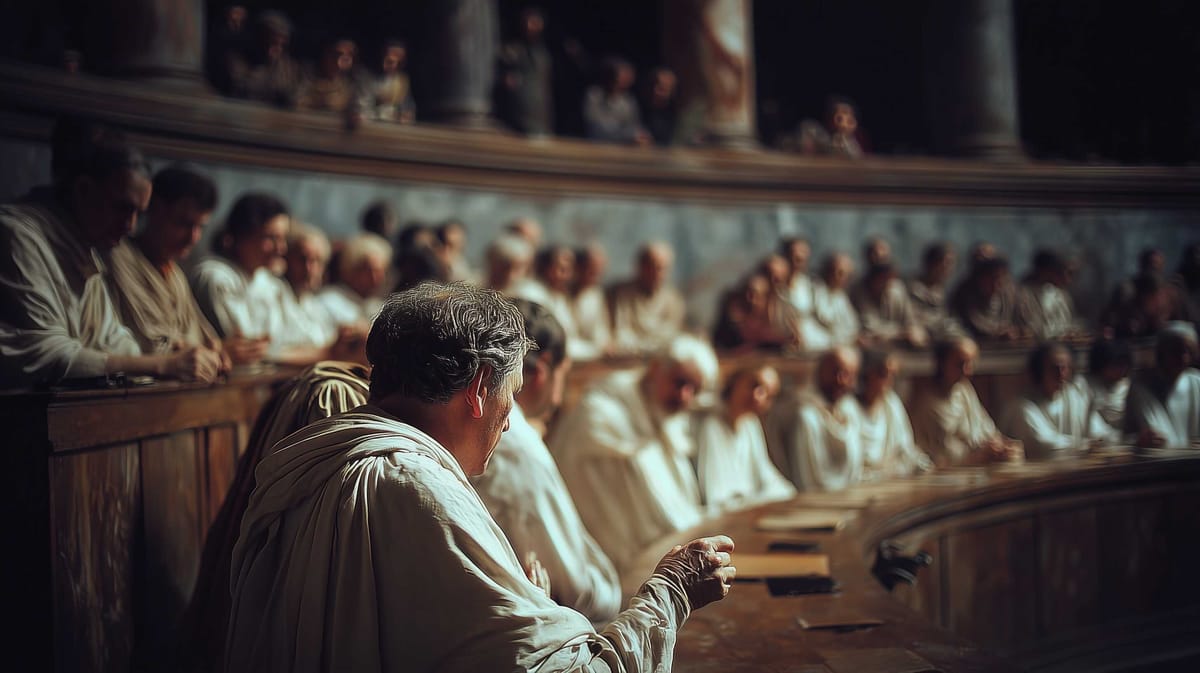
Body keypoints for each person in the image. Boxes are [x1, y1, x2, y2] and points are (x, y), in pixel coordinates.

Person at [226, 282, 736, 672]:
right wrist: (671, 592)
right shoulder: (419, 489)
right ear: (477, 391)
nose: (509, 418)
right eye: (508, 395)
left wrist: (521, 600)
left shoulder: (312, 452)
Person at [0, 135, 222, 386]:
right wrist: (164, 363)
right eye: (122, 208)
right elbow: (46, 356)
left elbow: (117, 341)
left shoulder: (90, 244)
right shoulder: (17, 235)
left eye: (138, 212)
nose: (130, 226)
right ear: (84, 190)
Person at [470, 300, 621, 624]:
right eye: (565, 373)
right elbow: (578, 593)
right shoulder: (516, 445)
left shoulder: (489, 430)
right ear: (541, 371)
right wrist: (610, 591)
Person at [548, 334, 717, 572]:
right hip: (609, 559)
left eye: (694, 390)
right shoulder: (601, 411)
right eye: (679, 383)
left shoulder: (659, 408)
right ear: (656, 369)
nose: (684, 397)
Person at [190, 193, 349, 364]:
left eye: (282, 239)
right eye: (270, 238)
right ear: (242, 235)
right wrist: (325, 353)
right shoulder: (216, 277)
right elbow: (249, 350)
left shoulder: (269, 283)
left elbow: (296, 339)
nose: (280, 248)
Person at [108, 165, 228, 366]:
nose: (193, 238)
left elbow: (205, 339)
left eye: (200, 227)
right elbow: (151, 344)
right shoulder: (120, 256)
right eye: (183, 223)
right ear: (155, 210)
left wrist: (219, 351)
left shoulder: (174, 273)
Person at [693, 364, 796, 512]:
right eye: (754, 385)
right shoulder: (710, 425)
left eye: (768, 394)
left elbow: (769, 478)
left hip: (748, 508)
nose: (758, 396)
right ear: (735, 382)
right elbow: (717, 497)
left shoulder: (750, 424)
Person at [908, 337, 1024, 466]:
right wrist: (979, 456)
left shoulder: (964, 390)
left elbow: (986, 430)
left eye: (970, 364)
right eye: (960, 364)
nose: (967, 371)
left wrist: (1003, 446)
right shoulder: (927, 403)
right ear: (942, 363)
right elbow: (937, 459)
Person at [764, 347, 865, 492]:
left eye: (848, 375)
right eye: (835, 372)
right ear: (821, 371)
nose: (841, 380)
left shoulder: (849, 409)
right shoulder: (800, 410)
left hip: (847, 491)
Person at [1000, 342, 1118, 460]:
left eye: (1065, 368)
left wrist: (1115, 440)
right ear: (1039, 371)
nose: (1061, 374)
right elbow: (1043, 445)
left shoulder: (1076, 397)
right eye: (1054, 369)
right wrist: (1085, 445)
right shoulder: (1021, 405)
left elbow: (1100, 431)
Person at [856, 350, 933, 480]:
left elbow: (906, 447)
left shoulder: (891, 402)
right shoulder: (849, 408)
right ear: (867, 374)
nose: (889, 381)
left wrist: (921, 463)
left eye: (893, 375)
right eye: (883, 374)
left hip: (891, 478)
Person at [1125, 322, 1200, 449]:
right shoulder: (1141, 386)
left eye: (1189, 351)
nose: (1184, 357)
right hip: (1158, 464)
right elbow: (1132, 435)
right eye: (1177, 351)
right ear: (1162, 352)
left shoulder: (1196, 381)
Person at [607, 241, 687, 355]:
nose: (658, 274)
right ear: (641, 267)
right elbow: (621, 331)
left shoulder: (673, 299)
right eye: (653, 267)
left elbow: (671, 333)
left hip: (660, 356)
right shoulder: (622, 294)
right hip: (629, 356)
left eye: (663, 268)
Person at [497, 7, 555, 137]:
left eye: (535, 23)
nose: (531, 27)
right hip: (517, 117)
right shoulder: (512, 50)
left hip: (539, 116)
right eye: (529, 23)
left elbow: (545, 85)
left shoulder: (542, 54)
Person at [228, 10, 302, 108]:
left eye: (281, 44)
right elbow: (243, 89)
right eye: (271, 42)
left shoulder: (290, 67)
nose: (277, 49)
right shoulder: (237, 61)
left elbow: (295, 94)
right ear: (259, 38)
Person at [317, 233, 392, 327]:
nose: (375, 278)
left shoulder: (380, 308)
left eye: (380, 271)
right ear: (350, 269)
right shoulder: (329, 301)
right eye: (368, 271)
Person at [950, 255, 1026, 341]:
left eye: (1001, 278)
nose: (996, 284)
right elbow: (967, 327)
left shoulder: (1010, 295)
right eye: (992, 278)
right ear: (980, 279)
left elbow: (1025, 324)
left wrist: (1017, 331)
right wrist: (995, 333)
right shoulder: (963, 296)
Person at [852, 262, 928, 348]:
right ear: (874, 279)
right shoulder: (860, 293)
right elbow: (870, 328)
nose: (888, 284)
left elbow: (910, 319)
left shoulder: (897, 290)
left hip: (898, 341)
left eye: (890, 280)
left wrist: (915, 330)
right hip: (874, 344)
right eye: (883, 279)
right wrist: (901, 333)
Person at [1016, 249, 1084, 340]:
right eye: (1063, 272)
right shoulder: (1021, 294)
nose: (1068, 279)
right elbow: (1032, 330)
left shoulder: (1061, 295)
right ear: (1046, 270)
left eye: (1071, 274)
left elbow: (1067, 324)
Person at [583, 57, 650, 145]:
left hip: (622, 149)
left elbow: (634, 125)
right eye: (622, 75)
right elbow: (597, 128)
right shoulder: (594, 95)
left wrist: (642, 134)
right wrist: (628, 135)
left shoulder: (628, 100)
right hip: (597, 146)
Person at [296, 38, 366, 114]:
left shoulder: (351, 82)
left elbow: (359, 106)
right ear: (327, 55)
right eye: (338, 54)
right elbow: (297, 102)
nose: (345, 59)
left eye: (350, 55)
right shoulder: (307, 75)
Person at [909, 242, 962, 339]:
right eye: (944, 262)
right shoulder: (911, 287)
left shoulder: (944, 291)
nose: (948, 268)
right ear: (931, 263)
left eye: (951, 263)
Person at [569, 243, 612, 359]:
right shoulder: (561, 293)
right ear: (578, 268)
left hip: (590, 357)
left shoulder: (595, 296)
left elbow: (600, 335)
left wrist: (605, 345)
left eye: (599, 271)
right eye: (591, 270)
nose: (595, 276)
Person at [812, 252, 861, 348]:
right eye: (834, 271)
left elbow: (852, 327)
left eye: (843, 273)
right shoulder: (816, 290)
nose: (837, 276)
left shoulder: (841, 296)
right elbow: (825, 321)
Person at [367, 39, 416, 124]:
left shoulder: (402, 81)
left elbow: (407, 106)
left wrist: (407, 114)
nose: (394, 65)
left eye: (398, 62)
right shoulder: (371, 79)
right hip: (374, 120)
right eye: (389, 61)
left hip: (393, 123)